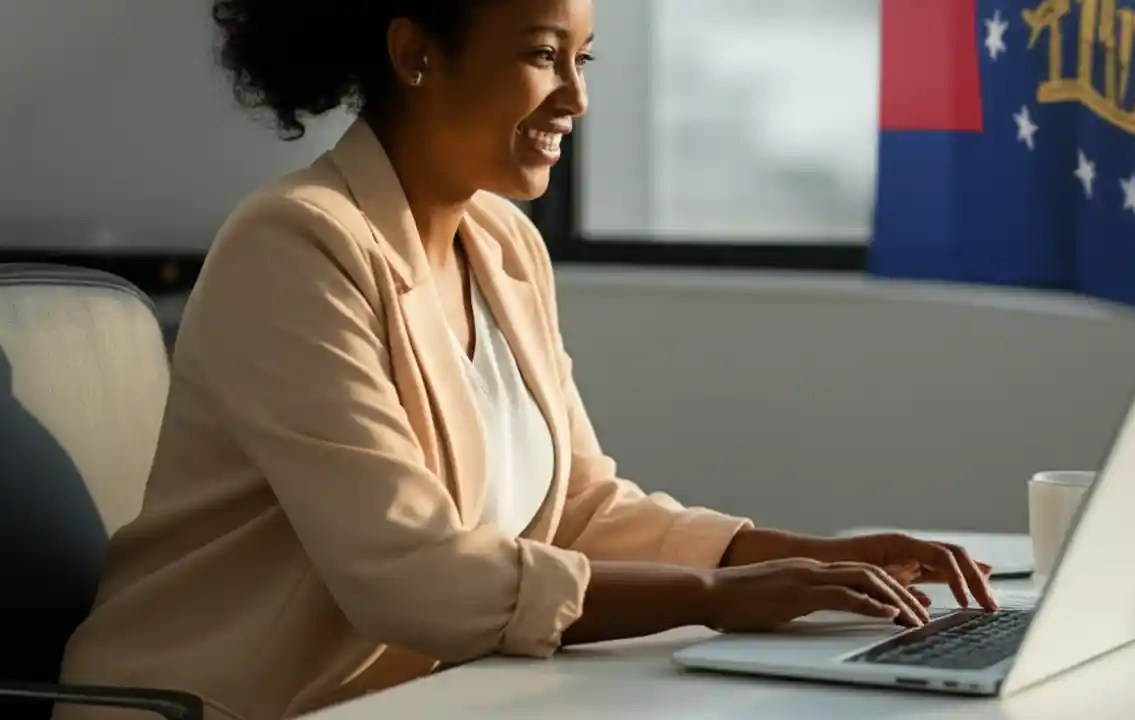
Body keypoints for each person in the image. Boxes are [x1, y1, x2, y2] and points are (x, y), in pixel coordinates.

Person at [56, 1, 997, 718]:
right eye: (544, 56)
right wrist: (716, 597)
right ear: (416, 53)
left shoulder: (504, 242)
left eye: (583, 60)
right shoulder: (295, 244)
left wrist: (802, 555)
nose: (577, 98)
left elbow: (580, 509)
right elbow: (413, 577)